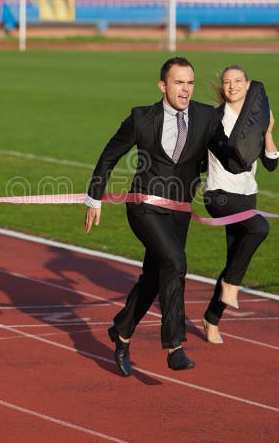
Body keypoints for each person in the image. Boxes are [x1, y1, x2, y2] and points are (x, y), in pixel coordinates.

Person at [84, 56, 235, 376]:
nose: (185, 89)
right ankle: (175, 346)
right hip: (144, 207)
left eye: (190, 82)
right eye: (179, 82)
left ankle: (122, 332)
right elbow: (109, 156)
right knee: (177, 263)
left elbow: (228, 156)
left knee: (154, 276)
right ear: (162, 86)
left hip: (179, 212)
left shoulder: (207, 116)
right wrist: (94, 198)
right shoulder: (141, 118)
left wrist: (251, 134)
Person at [200, 65, 279, 345]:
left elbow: (271, 164)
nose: (232, 86)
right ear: (222, 88)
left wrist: (268, 132)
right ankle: (231, 286)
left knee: (235, 259)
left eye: (237, 81)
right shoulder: (214, 119)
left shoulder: (255, 120)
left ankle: (212, 318)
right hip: (219, 194)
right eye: (226, 82)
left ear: (247, 85)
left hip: (247, 195)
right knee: (259, 228)